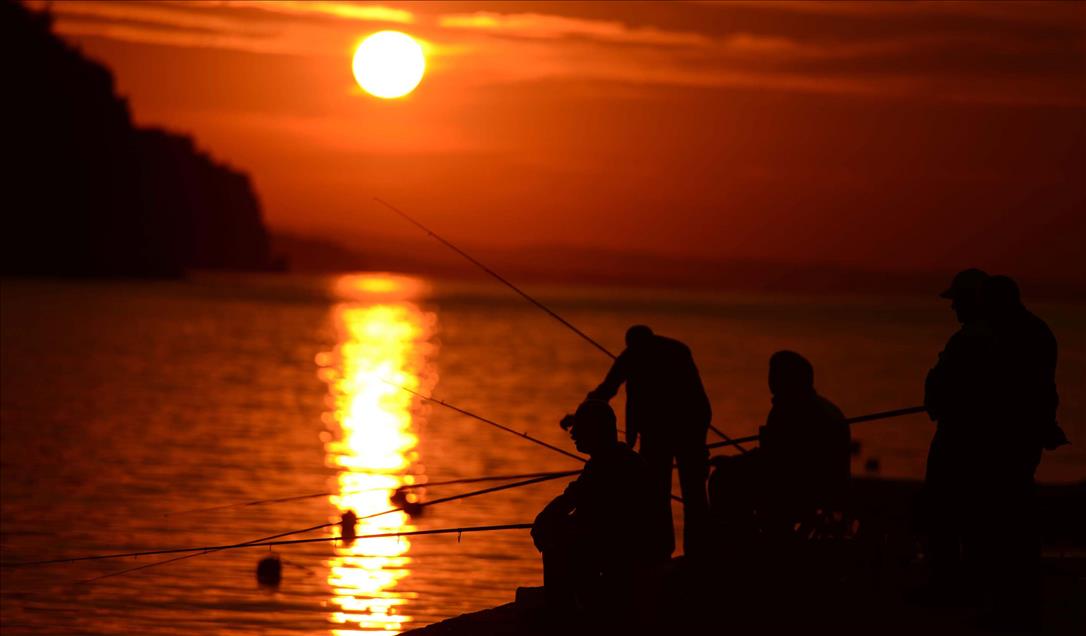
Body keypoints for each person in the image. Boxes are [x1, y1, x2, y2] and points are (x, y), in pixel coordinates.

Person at [973, 275, 1064, 628]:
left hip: (1009, 439)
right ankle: (1013, 604)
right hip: (1019, 436)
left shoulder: (1011, 335)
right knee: (1010, 522)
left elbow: (1012, 388)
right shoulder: (1033, 330)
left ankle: (1011, 608)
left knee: (1006, 524)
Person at [585, 325, 711, 557]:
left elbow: (607, 389)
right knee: (676, 492)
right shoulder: (669, 351)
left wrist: (583, 411)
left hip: (672, 431)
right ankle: (683, 548)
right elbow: (608, 389)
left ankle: (677, 548)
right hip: (674, 431)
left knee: (666, 492)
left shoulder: (643, 354)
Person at [531, 400, 668, 610]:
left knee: (555, 540)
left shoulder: (606, 466)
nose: (573, 434)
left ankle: (564, 614)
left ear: (596, 431)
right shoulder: (618, 460)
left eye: (580, 429)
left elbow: (577, 502)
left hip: (626, 552)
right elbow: (578, 499)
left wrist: (545, 522)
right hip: (634, 546)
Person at [709, 351, 849, 538]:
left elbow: (774, 461)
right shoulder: (825, 406)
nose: (771, 379)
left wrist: (732, 463)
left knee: (722, 480)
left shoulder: (789, 407)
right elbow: (777, 454)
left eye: (775, 374)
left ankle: (741, 542)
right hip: (827, 486)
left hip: (799, 487)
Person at [919, 267, 994, 604]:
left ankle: (945, 587)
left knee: (943, 514)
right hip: (982, 442)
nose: (953, 308)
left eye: (958, 301)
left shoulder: (969, 340)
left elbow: (943, 386)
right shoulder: (1001, 338)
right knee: (976, 518)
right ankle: (973, 584)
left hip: (956, 440)